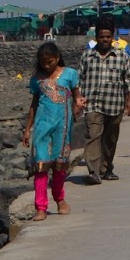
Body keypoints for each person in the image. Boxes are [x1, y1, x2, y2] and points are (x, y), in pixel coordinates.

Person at [77, 21, 130, 183]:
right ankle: (93, 171)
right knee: (93, 135)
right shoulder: (87, 56)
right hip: (92, 104)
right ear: (96, 37)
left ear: (112, 37)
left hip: (114, 105)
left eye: (108, 37)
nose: (105, 40)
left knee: (110, 139)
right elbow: (78, 80)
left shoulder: (122, 56)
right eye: (101, 37)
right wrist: (77, 100)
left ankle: (106, 168)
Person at [22, 42, 80, 221]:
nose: (47, 66)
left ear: (58, 58)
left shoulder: (70, 74)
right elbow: (34, 105)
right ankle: (40, 207)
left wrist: (78, 104)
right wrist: (27, 129)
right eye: (43, 63)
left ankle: (59, 198)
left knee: (60, 165)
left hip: (62, 127)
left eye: (50, 62)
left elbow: (77, 95)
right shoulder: (37, 80)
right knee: (40, 166)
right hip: (41, 127)